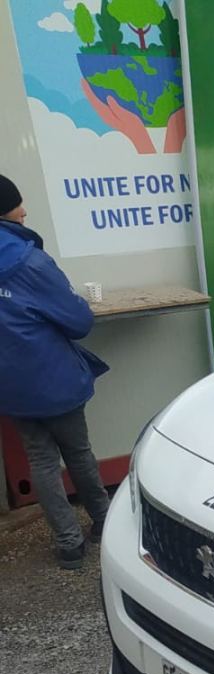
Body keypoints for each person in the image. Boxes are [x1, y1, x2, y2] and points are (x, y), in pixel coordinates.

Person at [0, 175, 111, 570]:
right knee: (78, 452)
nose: (25, 209)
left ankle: (68, 546)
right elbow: (78, 321)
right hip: (52, 378)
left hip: (10, 386)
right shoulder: (28, 261)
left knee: (40, 460)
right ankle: (104, 522)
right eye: (16, 203)